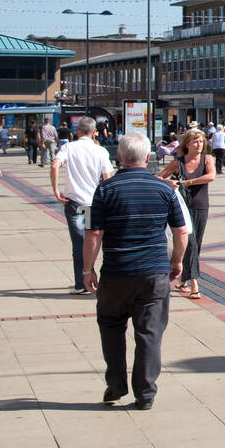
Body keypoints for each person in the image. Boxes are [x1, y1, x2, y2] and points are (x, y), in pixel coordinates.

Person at [82, 133, 187, 409]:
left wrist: (87, 269)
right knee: (150, 333)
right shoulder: (165, 189)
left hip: (116, 272)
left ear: (119, 157)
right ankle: (146, 393)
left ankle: (116, 385)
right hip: (154, 273)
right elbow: (181, 232)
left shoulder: (103, 189)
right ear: (149, 157)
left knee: (111, 326)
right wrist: (177, 262)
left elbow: (92, 233)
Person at [52, 117, 114, 295]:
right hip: (94, 203)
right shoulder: (100, 151)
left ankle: (81, 283)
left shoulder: (68, 148)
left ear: (78, 131)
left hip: (74, 202)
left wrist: (56, 190)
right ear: (95, 132)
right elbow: (107, 178)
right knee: (96, 241)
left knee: (79, 243)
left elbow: (55, 165)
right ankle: (99, 276)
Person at [159, 128, 216, 300]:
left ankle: (183, 280)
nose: (199, 145)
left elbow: (211, 176)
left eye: (201, 142)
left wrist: (189, 182)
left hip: (200, 206)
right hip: (182, 207)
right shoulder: (178, 162)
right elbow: (159, 177)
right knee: (190, 242)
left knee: (195, 244)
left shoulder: (207, 159)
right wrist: (170, 182)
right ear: (187, 144)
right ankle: (194, 284)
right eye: (195, 142)